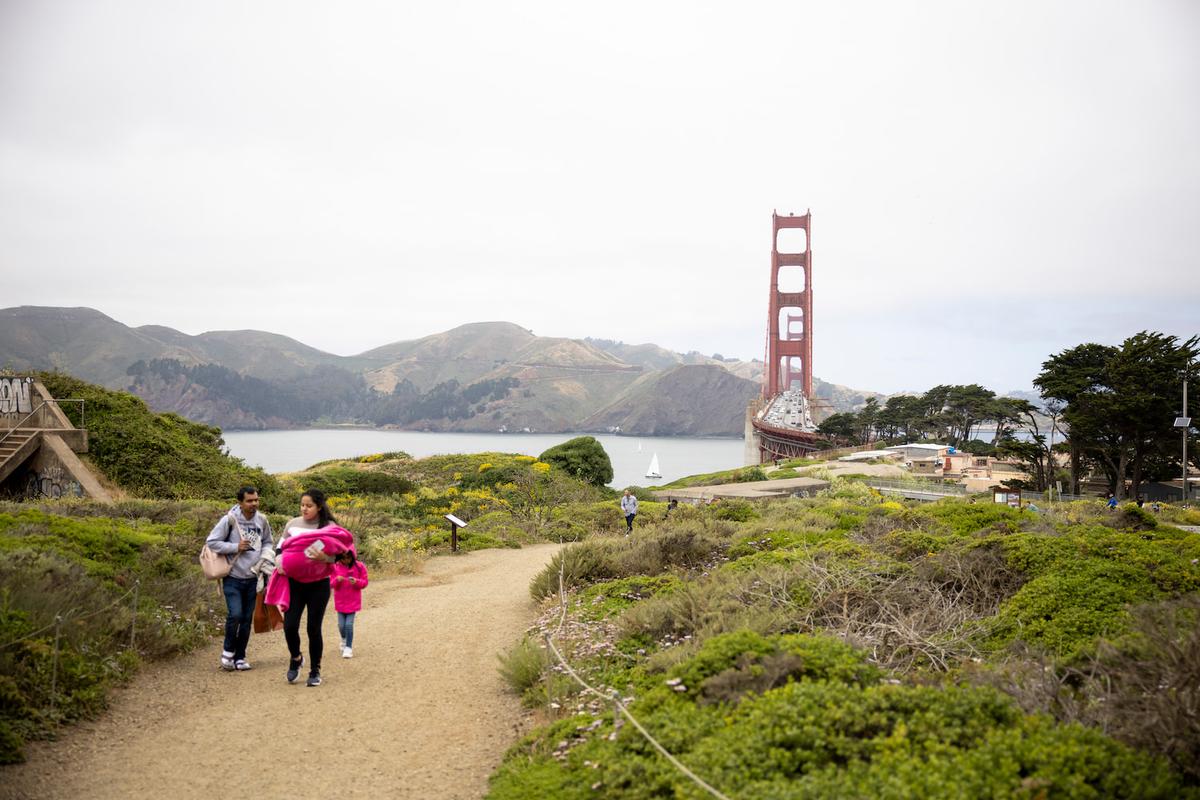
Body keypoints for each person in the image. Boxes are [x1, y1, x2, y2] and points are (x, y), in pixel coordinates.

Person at [273, 489, 347, 687]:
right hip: (294, 583)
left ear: (319, 507)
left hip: (318, 585)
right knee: (289, 626)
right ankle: (296, 658)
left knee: (313, 628)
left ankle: (315, 670)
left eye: (309, 506)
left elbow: (345, 556)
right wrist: (279, 558)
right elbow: (280, 546)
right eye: (302, 505)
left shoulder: (330, 527)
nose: (304, 509)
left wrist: (326, 559)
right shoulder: (292, 524)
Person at [205, 485, 274, 672]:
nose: (254, 504)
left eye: (256, 500)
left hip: (253, 577)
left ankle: (240, 657)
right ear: (240, 502)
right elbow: (211, 542)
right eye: (249, 501)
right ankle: (228, 652)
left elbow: (268, 542)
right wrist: (235, 547)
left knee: (245, 619)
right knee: (235, 614)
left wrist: (266, 559)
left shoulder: (262, 520)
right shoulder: (229, 520)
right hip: (233, 577)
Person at [332, 550, 369, 658]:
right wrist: (337, 580)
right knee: (341, 626)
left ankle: (348, 647)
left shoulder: (359, 566)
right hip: (340, 601)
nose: (346, 560)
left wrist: (356, 582)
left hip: (353, 601)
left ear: (352, 556)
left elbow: (365, 582)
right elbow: (330, 583)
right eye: (343, 558)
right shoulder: (335, 567)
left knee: (348, 625)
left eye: (348, 558)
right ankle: (344, 639)